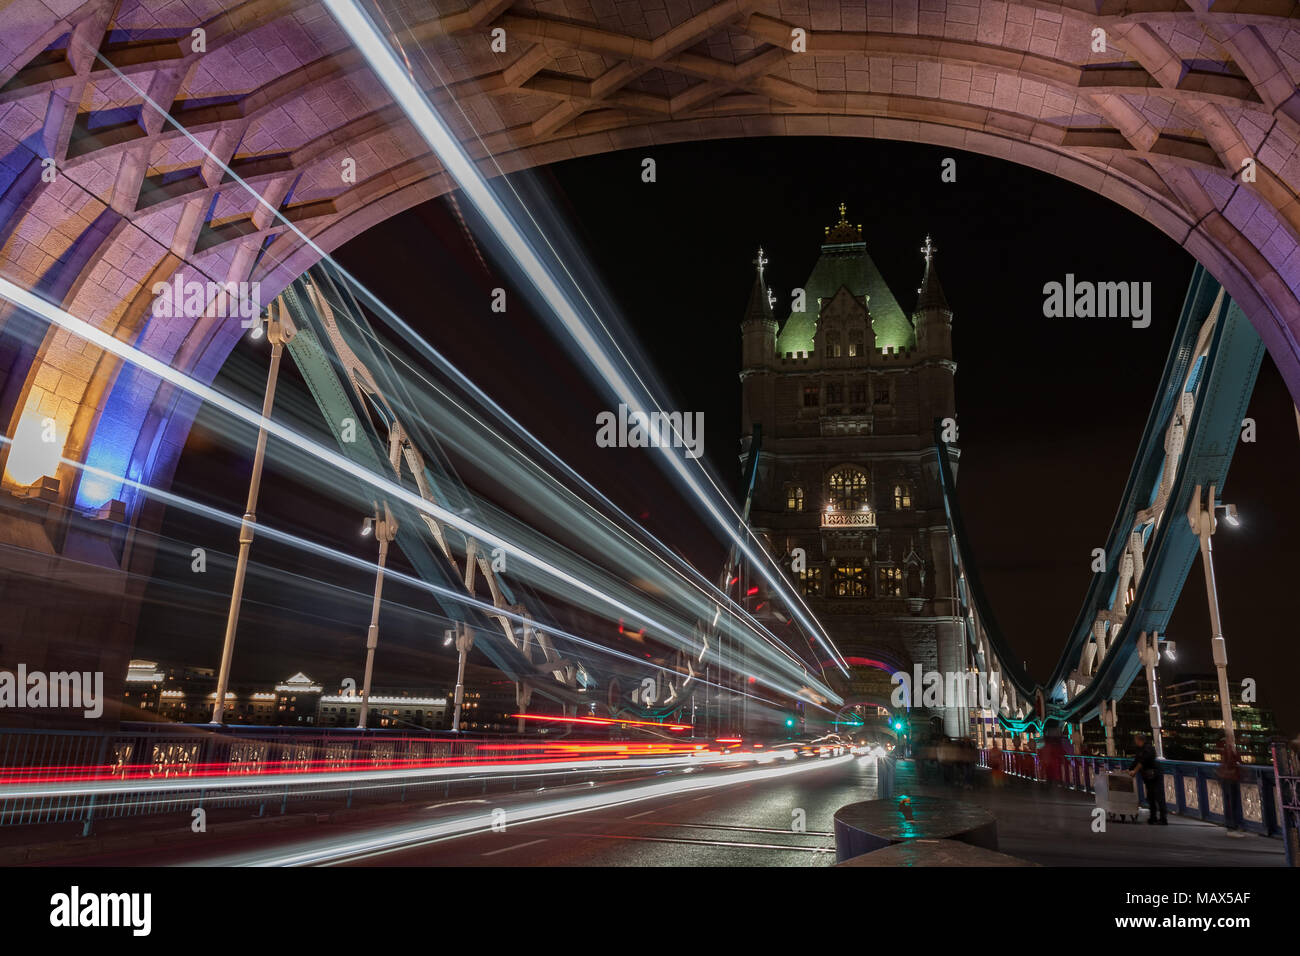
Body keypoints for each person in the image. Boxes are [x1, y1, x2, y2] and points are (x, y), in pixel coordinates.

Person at [1128, 732, 1167, 824]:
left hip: (1155, 774)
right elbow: (1136, 760)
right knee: (1151, 797)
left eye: (1135, 740)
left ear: (1139, 740)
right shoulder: (1139, 749)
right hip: (1148, 776)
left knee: (1158, 797)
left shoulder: (1149, 748)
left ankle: (1163, 819)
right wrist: (1129, 769)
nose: (1135, 742)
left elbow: (1142, 761)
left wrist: (1134, 771)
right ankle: (1153, 817)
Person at [1217, 740, 1247, 837]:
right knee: (1232, 803)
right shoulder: (1229, 753)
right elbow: (1235, 762)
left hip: (1226, 779)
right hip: (1230, 779)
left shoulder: (1226, 752)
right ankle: (1233, 826)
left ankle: (1231, 825)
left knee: (1229, 802)